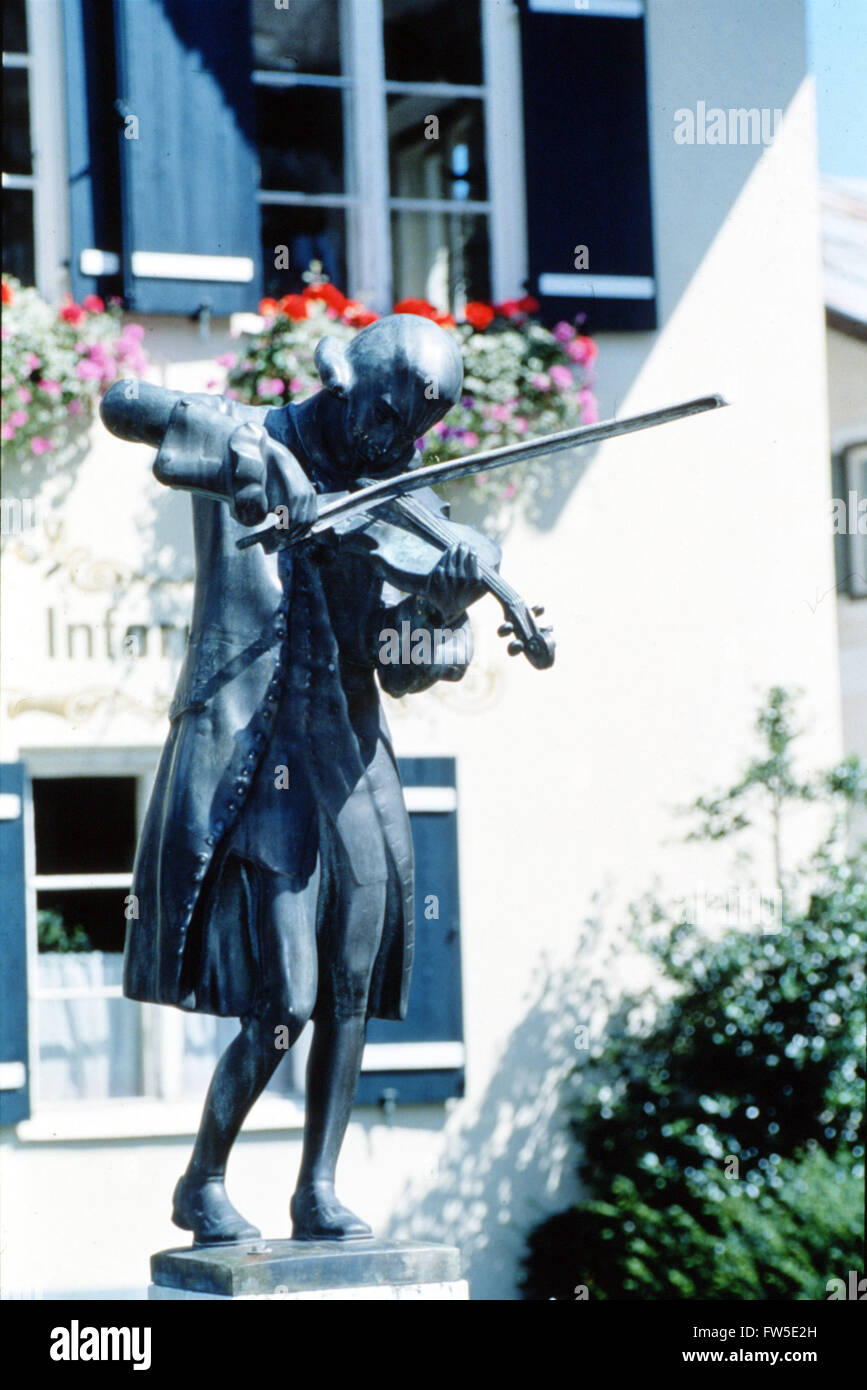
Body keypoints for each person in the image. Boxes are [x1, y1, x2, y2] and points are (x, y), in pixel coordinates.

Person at [100, 313, 493, 1243]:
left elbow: (396, 662)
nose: (395, 447)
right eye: (387, 421)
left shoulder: (396, 499)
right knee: (290, 994)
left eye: (411, 437)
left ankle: (317, 1187)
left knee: (353, 977)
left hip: (347, 754)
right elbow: (122, 402)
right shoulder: (252, 434)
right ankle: (202, 1180)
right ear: (346, 385)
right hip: (255, 750)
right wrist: (253, 450)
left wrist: (449, 600)